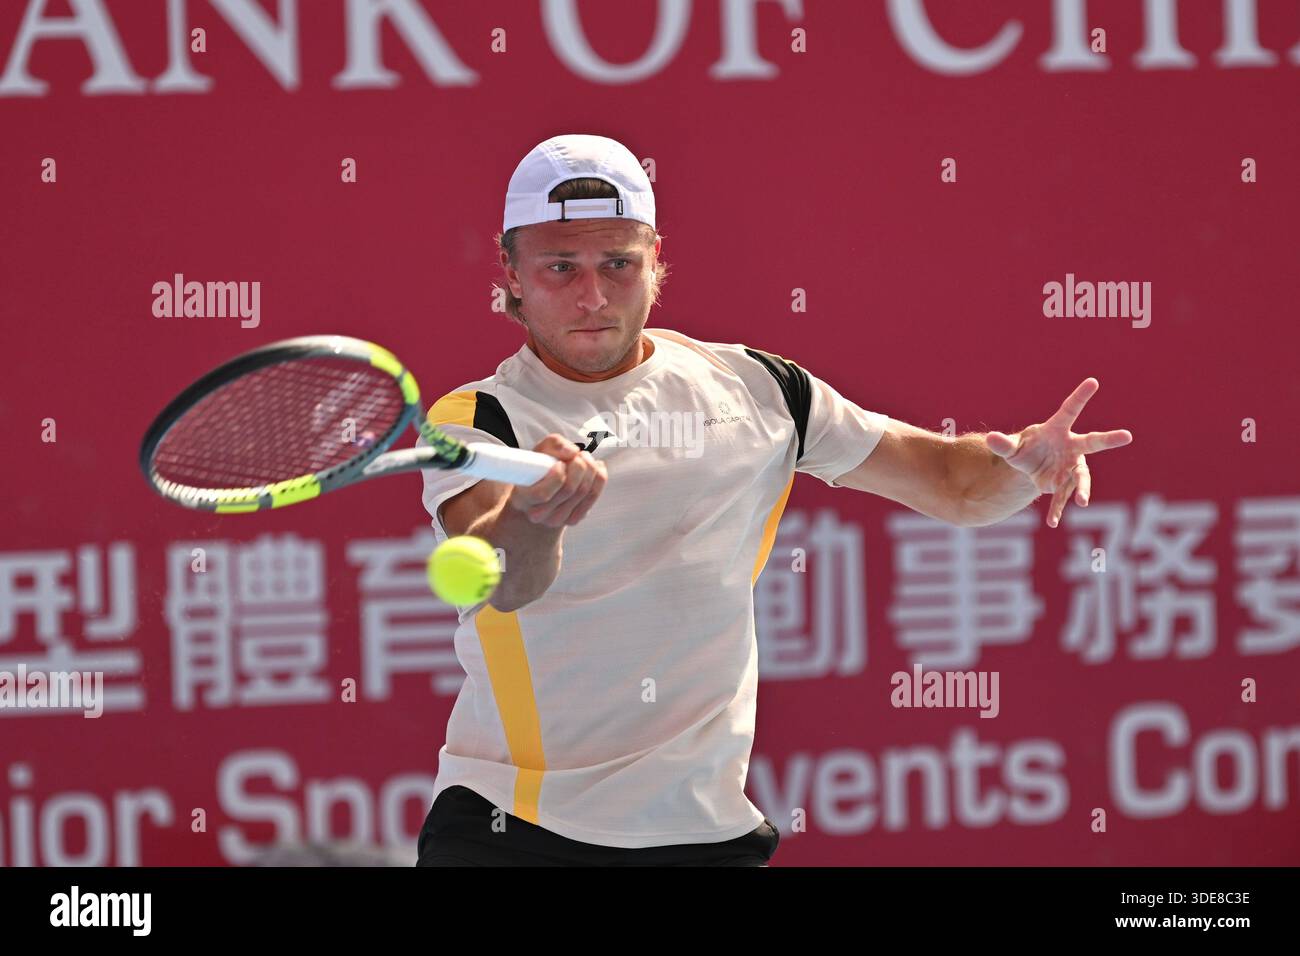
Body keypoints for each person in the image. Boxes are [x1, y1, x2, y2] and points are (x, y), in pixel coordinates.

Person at [414, 134, 1133, 867]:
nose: (592, 296)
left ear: (657, 259)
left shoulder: (762, 389)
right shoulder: (476, 420)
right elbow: (503, 580)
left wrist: (1023, 465)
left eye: (618, 265)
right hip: (511, 828)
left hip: (704, 838)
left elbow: (953, 486)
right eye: (560, 267)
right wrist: (538, 515)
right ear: (512, 274)